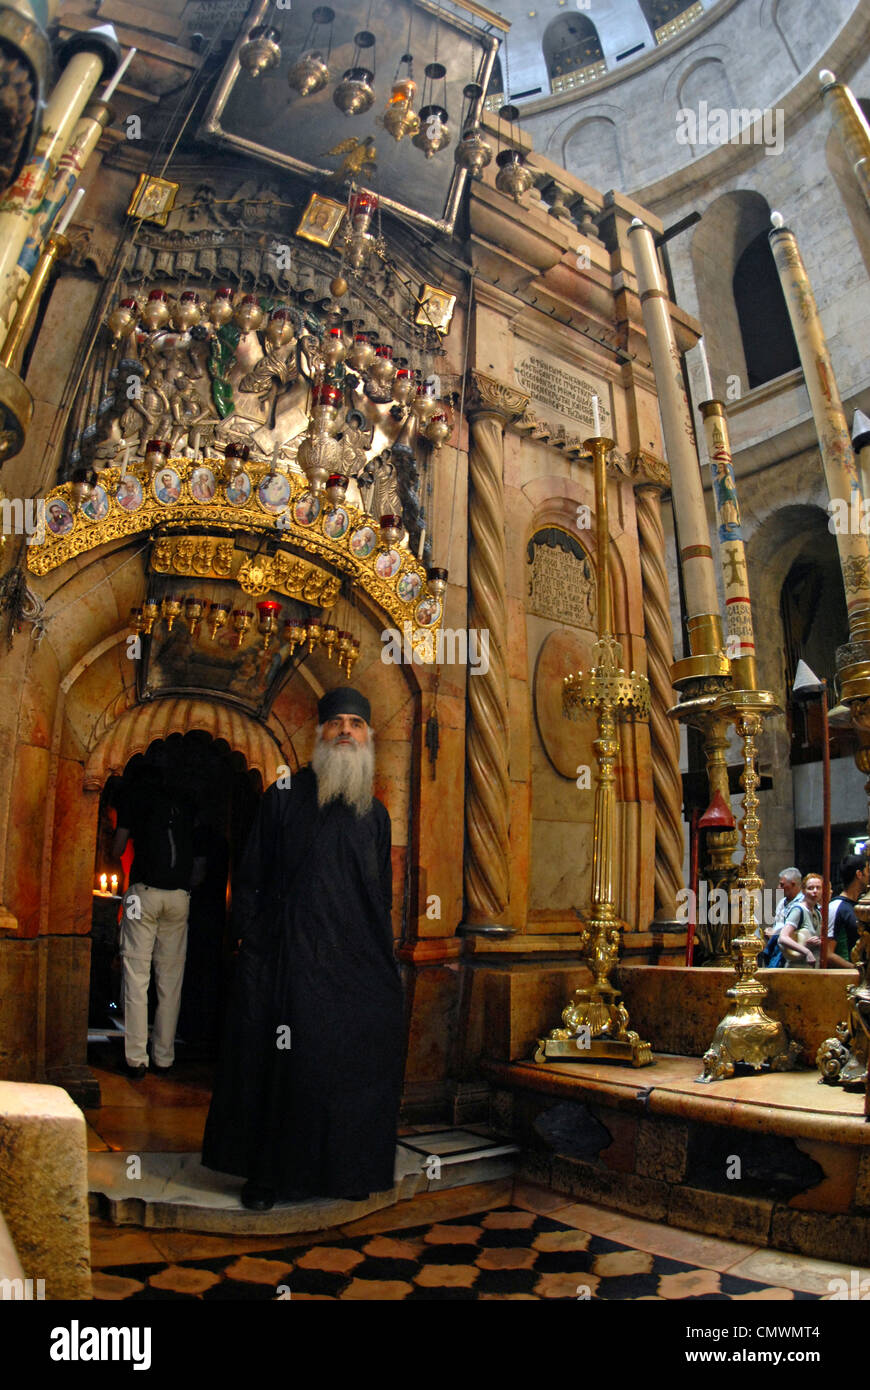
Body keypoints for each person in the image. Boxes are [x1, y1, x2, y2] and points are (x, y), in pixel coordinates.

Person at [202, 687, 404, 1211]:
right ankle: (265, 1176)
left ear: (367, 737)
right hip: (287, 961)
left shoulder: (376, 816)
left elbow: (379, 896)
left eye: (355, 724)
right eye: (336, 723)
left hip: (352, 967)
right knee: (278, 1069)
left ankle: (344, 1169)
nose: (345, 731)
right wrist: (248, 943)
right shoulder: (285, 795)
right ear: (319, 735)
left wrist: (381, 964)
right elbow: (251, 877)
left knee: (346, 1070)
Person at [112, 753, 206, 1077]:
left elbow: (117, 849)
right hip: (179, 898)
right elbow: (197, 868)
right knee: (171, 979)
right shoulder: (184, 802)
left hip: (143, 893)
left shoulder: (133, 797)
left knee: (137, 974)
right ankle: (164, 1058)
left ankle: (136, 1060)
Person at [779, 872, 853, 968]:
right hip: (797, 968)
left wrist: (819, 942)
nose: (815, 891)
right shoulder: (798, 910)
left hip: (812, 967)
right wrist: (806, 950)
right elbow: (783, 937)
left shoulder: (817, 911)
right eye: (810, 888)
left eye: (818, 888)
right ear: (803, 891)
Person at [828, 853, 869, 961]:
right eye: (867, 871)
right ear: (859, 874)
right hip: (848, 975)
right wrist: (858, 971)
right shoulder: (835, 907)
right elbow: (828, 954)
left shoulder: (860, 905)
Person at [761, 866, 803, 968]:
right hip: (777, 950)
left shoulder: (802, 904)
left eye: (782, 885)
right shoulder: (782, 902)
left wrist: (776, 935)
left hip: (793, 954)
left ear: (793, 884)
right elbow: (778, 924)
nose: (778, 888)